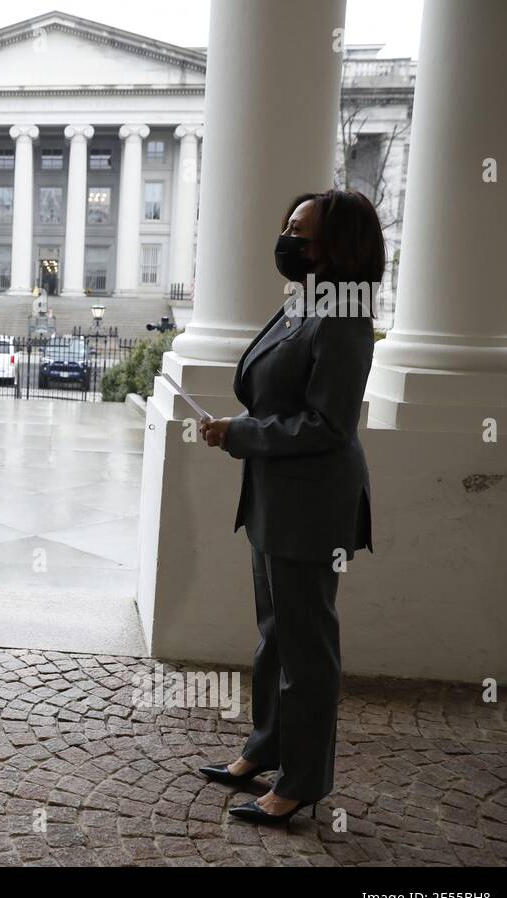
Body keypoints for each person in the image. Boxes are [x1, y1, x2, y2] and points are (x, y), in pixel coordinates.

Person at [196, 189, 383, 827]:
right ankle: (266, 749)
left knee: (307, 649)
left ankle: (302, 782)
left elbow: (328, 425)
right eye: (287, 227)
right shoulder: (305, 301)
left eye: (298, 233)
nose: (286, 241)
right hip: (276, 495)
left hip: (313, 503)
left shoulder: (345, 316)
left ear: (339, 246)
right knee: (275, 636)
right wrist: (241, 429)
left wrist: (241, 433)